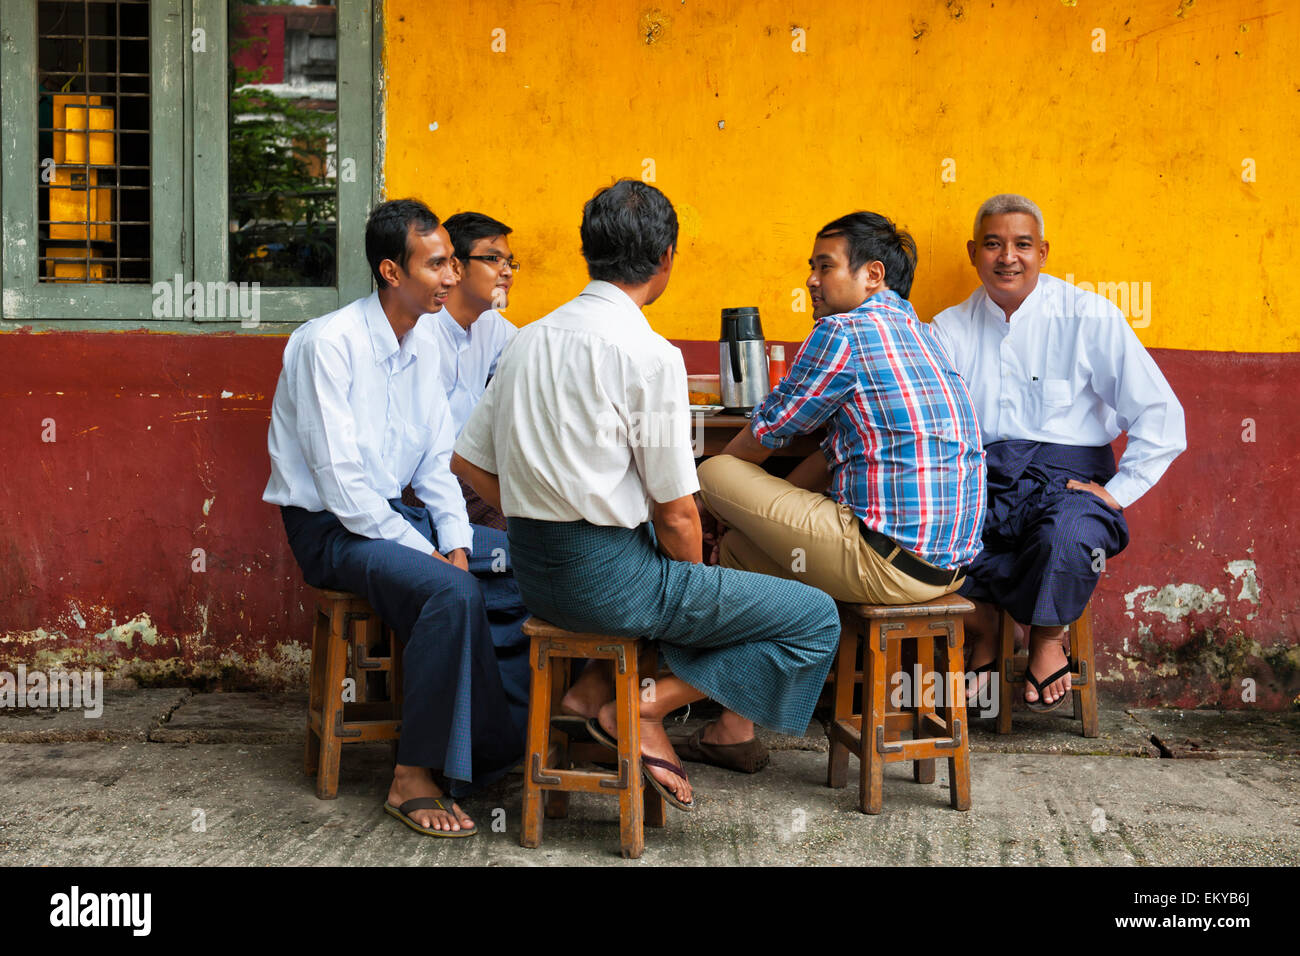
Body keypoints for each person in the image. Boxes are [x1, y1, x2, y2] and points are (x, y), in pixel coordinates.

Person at [451, 179, 841, 810]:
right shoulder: (649, 354)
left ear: (588, 253)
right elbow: (678, 514)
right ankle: (637, 705)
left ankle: (586, 696)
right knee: (813, 617)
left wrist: (536, 504)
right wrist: (694, 604)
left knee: (676, 580)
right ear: (666, 259)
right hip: (609, 582)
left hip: (537, 574)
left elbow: (465, 460)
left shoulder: (526, 340)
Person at [263, 199, 531, 838]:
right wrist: (430, 555)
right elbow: (342, 486)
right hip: (330, 528)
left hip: (397, 516)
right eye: (437, 264)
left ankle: (490, 754)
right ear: (390, 270)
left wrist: (458, 543)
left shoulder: (425, 348)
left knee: (527, 570)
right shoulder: (326, 345)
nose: (450, 277)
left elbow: (440, 464)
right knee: (448, 591)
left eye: (450, 264)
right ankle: (413, 774)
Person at [692, 211, 986, 769]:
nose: (811, 280)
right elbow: (836, 456)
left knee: (710, 473)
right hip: (946, 570)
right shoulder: (925, 338)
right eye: (811, 267)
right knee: (739, 553)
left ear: (873, 274)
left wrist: (720, 501)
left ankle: (710, 699)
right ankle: (733, 726)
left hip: (884, 562)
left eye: (824, 267)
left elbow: (764, 434)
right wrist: (745, 520)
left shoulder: (843, 333)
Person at [930, 193, 1186, 712]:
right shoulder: (946, 329)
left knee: (1068, 534)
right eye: (993, 244)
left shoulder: (1088, 315)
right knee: (922, 539)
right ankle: (986, 624)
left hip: (1068, 478)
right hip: (981, 478)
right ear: (972, 252)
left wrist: (1117, 493)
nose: (1008, 257)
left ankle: (1047, 638)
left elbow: (1162, 417)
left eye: (1022, 244)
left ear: (1043, 252)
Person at [434, 212, 520, 530]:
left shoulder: (490, 323)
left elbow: (534, 358)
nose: (507, 272)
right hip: (422, 484)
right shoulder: (421, 330)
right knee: (531, 525)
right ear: (455, 266)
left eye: (510, 262)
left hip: (468, 474)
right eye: (493, 259)